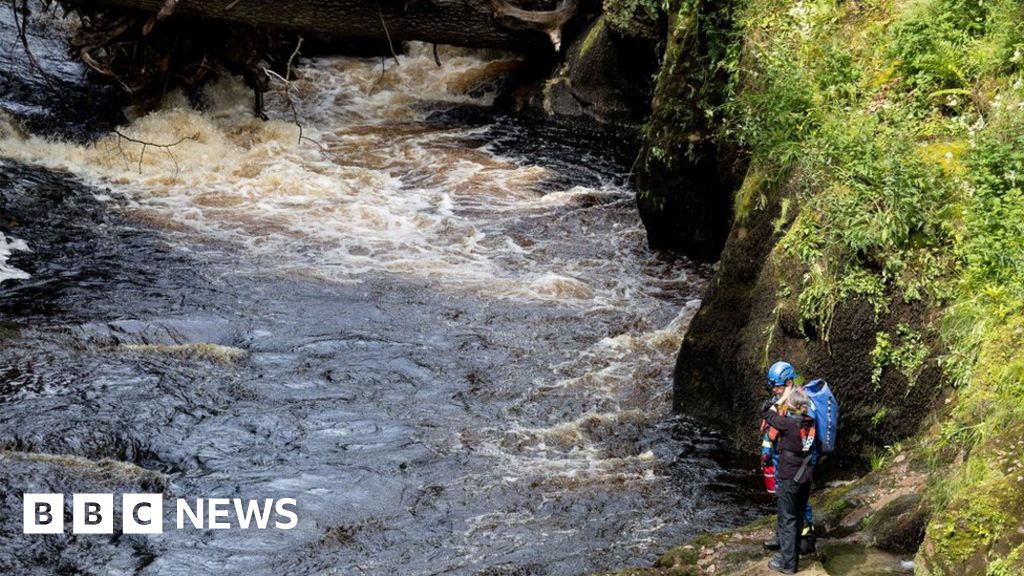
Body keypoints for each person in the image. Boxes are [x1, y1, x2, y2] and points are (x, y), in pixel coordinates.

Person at [760, 361, 816, 553]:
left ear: (789, 383)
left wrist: (806, 462)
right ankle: (783, 535)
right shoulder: (779, 401)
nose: (774, 390)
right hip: (780, 459)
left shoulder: (800, 402)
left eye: (778, 386)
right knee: (783, 499)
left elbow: (808, 436)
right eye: (772, 386)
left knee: (799, 499)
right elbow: (770, 431)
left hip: (797, 462)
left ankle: (806, 536)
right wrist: (766, 452)